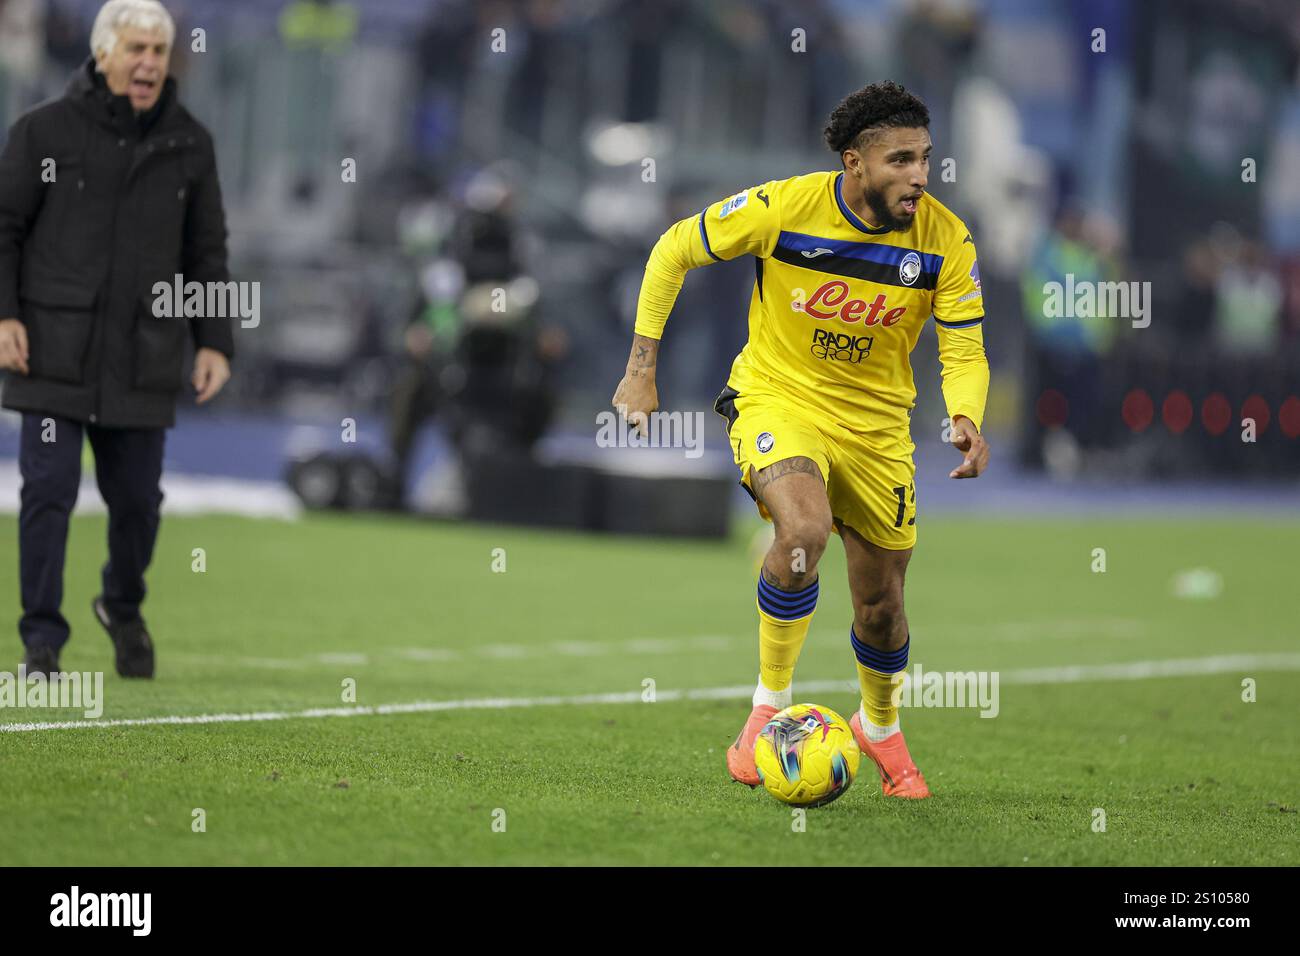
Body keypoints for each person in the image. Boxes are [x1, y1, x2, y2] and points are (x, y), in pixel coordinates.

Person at [611, 82, 989, 799]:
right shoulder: (783, 207)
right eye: (900, 160)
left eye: (925, 159)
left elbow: (964, 347)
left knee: (882, 607)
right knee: (803, 531)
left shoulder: (947, 240)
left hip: (878, 431)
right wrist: (640, 370)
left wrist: (966, 415)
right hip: (778, 400)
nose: (919, 176)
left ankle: (879, 725)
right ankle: (768, 706)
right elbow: (672, 249)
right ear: (855, 162)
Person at [0, 0, 233, 678]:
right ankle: (42, 642)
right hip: (52, 352)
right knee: (48, 493)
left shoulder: (191, 145)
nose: (149, 63)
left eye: (159, 52)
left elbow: (207, 252)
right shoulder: (42, 132)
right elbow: (4, 230)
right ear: (103, 54)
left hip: (142, 358)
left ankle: (122, 605)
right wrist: (5, 316)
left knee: (138, 504)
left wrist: (216, 341)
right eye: (136, 49)